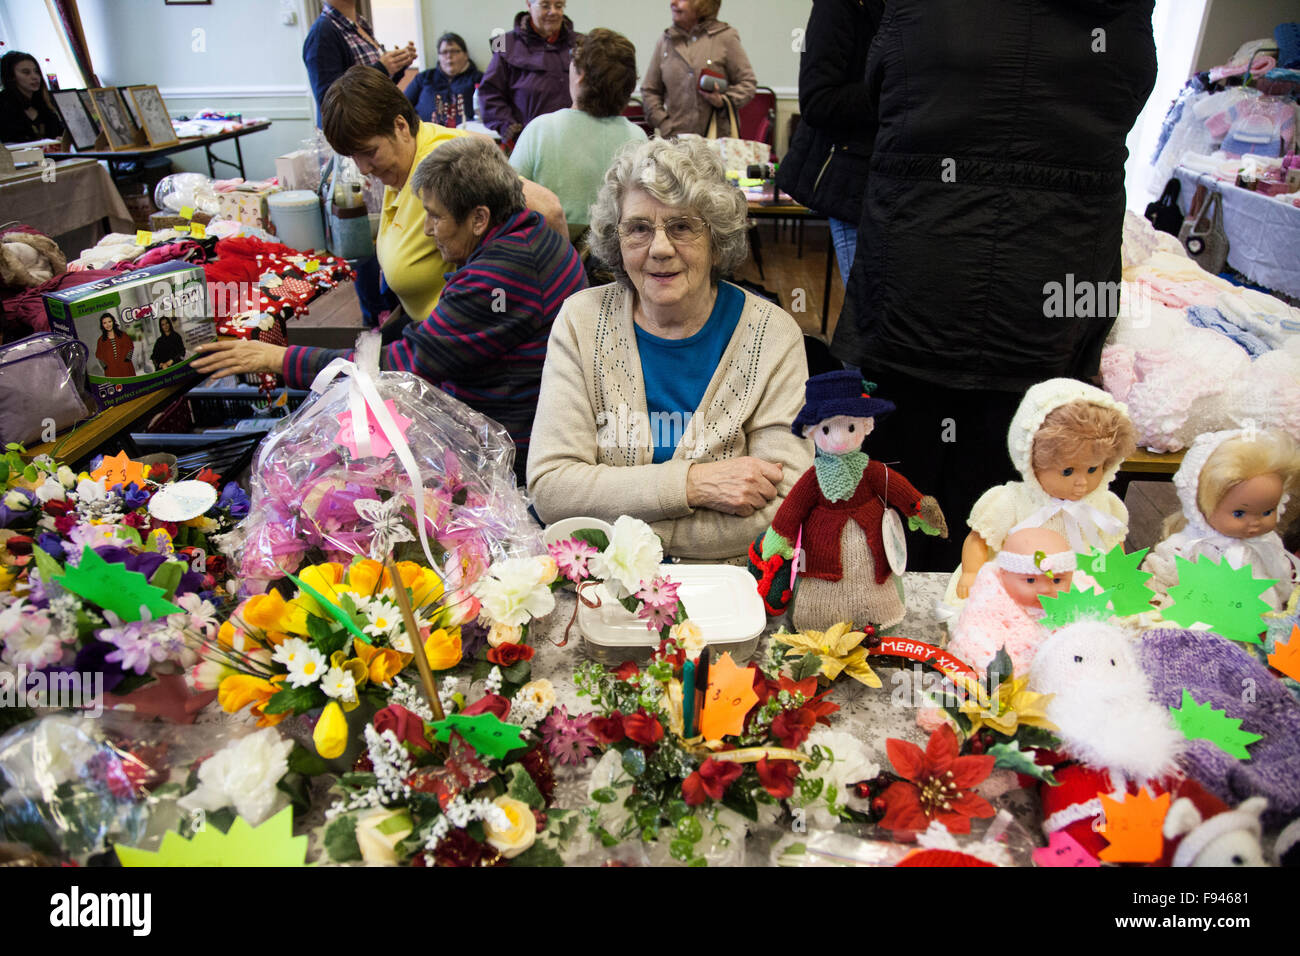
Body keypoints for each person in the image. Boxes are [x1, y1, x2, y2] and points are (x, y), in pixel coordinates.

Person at [830, 0, 1157, 571]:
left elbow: (865, 95)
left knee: (900, 491)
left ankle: (898, 618)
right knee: (1028, 487)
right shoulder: (1116, 14)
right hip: (1056, 271)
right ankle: (1005, 640)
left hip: (921, 260)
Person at [193, 137, 586, 482]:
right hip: (522, 422)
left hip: (506, 449)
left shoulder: (497, 278)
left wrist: (278, 358)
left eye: (435, 215)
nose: (429, 229)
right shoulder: (532, 236)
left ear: (480, 218)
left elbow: (401, 366)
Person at [527, 137, 812, 561]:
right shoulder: (581, 321)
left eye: (682, 227)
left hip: (731, 589)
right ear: (617, 240)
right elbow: (552, 488)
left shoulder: (772, 335)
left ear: (715, 238)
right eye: (639, 228)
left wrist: (624, 529)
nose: (660, 248)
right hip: (603, 588)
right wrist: (693, 485)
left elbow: (785, 507)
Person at [319, 65, 566, 333]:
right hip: (424, 327)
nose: (364, 167)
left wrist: (560, 317)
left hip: (454, 339)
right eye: (353, 156)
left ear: (400, 126)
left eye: (369, 152)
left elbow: (549, 210)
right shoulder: (404, 157)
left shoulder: (444, 160)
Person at [776, 0, 884, 284]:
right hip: (853, 181)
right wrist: (897, 92)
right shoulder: (839, 6)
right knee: (867, 309)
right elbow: (817, 101)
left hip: (898, 180)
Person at [509, 28, 646, 242]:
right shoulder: (637, 138)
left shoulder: (540, 130)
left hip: (549, 258)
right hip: (617, 260)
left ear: (580, 76)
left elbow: (506, 201)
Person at [641, 0, 756, 139]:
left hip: (715, 143)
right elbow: (650, 90)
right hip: (675, 144)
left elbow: (747, 83)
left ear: (703, 3)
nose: (673, 2)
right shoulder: (666, 41)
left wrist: (723, 100)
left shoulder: (725, 37)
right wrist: (664, 123)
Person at [303, 0, 416, 126]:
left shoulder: (361, 25)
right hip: (351, 136)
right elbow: (330, 100)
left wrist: (397, 65)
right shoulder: (322, 33)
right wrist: (382, 68)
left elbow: (375, 89)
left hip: (373, 126)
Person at [479, 1, 580, 142]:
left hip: (575, 138)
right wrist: (509, 128)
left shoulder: (581, 43)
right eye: (545, 6)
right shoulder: (503, 42)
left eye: (558, 6)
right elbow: (490, 94)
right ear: (529, 5)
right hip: (526, 141)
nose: (553, 12)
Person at [405, 32, 484, 125]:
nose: (449, 56)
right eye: (444, 52)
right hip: (425, 134)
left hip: (465, 135)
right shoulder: (424, 77)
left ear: (466, 55)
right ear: (438, 56)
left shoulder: (479, 79)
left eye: (454, 51)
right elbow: (402, 105)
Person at [0, 52, 62, 143]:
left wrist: (61, 139)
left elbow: (59, 132)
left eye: (36, 72)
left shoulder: (44, 102)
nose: (35, 77)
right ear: (11, 77)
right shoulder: (3, 104)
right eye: (26, 72)